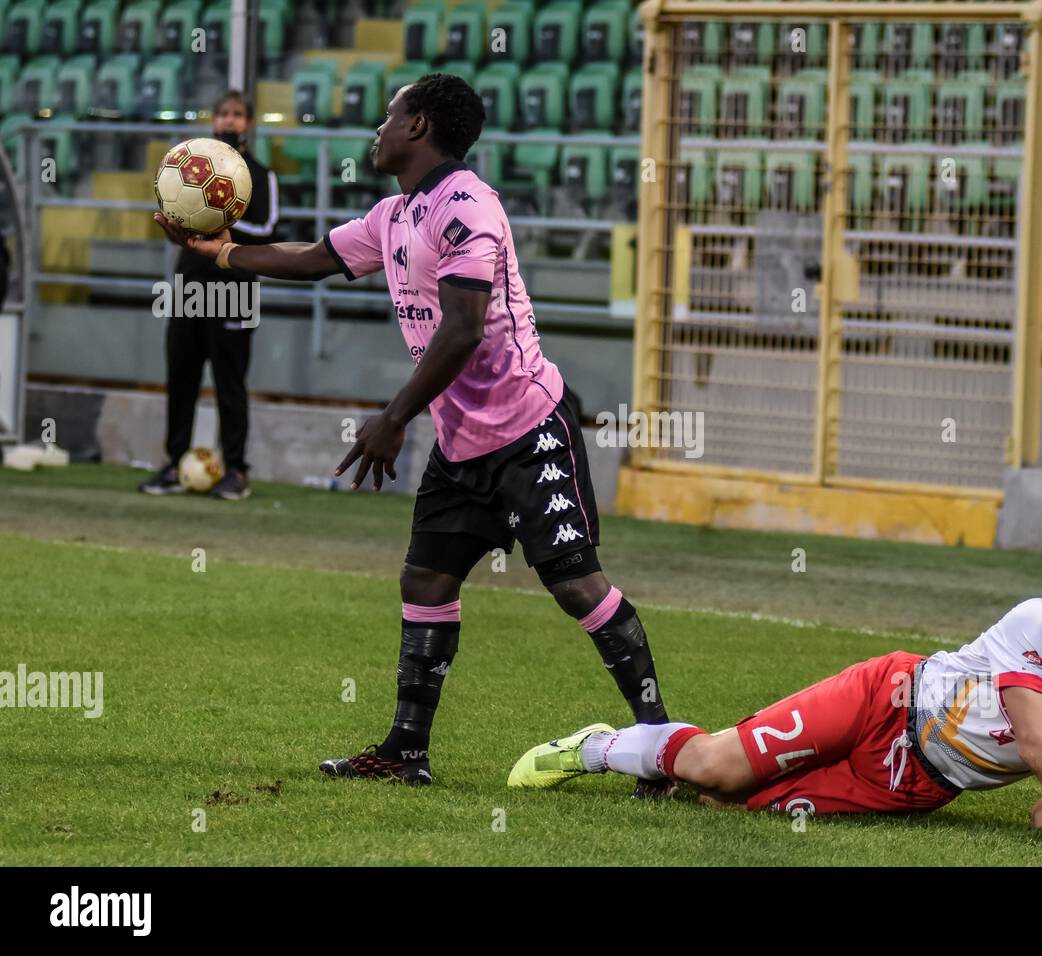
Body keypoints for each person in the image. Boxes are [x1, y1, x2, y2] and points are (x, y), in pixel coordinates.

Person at [152, 73, 672, 795]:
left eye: (389, 116)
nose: (379, 128)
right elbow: (313, 260)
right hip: (462, 442)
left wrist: (393, 419)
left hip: (527, 426)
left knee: (575, 584)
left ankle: (661, 744)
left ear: (419, 126)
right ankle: (405, 751)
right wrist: (223, 254)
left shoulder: (468, 208)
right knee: (425, 577)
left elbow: (461, 329)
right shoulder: (397, 214)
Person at [509, 559, 1042, 855]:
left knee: (721, 802)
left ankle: (679, 765)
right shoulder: (1040, 621)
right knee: (716, 767)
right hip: (884, 696)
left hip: (909, 784)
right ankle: (596, 748)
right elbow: (1035, 737)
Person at [140, 90, 279, 500]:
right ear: (213, 119)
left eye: (237, 114)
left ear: (249, 123)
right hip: (189, 288)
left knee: (229, 381)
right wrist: (188, 228)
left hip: (235, 289)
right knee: (180, 375)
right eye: (223, 114)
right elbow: (173, 219)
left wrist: (218, 233)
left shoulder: (260, 175)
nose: (229, 121)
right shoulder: (189, 168)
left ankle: (236, 470)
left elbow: (269, 230)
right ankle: (174, 460)